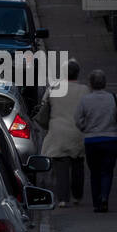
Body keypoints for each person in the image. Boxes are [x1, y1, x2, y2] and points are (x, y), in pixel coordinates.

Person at [74, 69, 117, 213]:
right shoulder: (114, 98)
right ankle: (105, 197)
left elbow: (78, 120)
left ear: (91, 84)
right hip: (110, 140)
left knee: (94, 172)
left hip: (91, 141)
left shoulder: (85, 100)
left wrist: (86, 128)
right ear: (104, 83)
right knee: (107, 171)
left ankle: (96, 203)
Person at [34, 59, 88, 207]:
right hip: (78, 132)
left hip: (58, 132)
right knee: (78, 164)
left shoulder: (54, 88)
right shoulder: (84, 90)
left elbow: (44, 107)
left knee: (61, 166)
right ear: (77, 73)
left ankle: (63, 199)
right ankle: (77, 195)